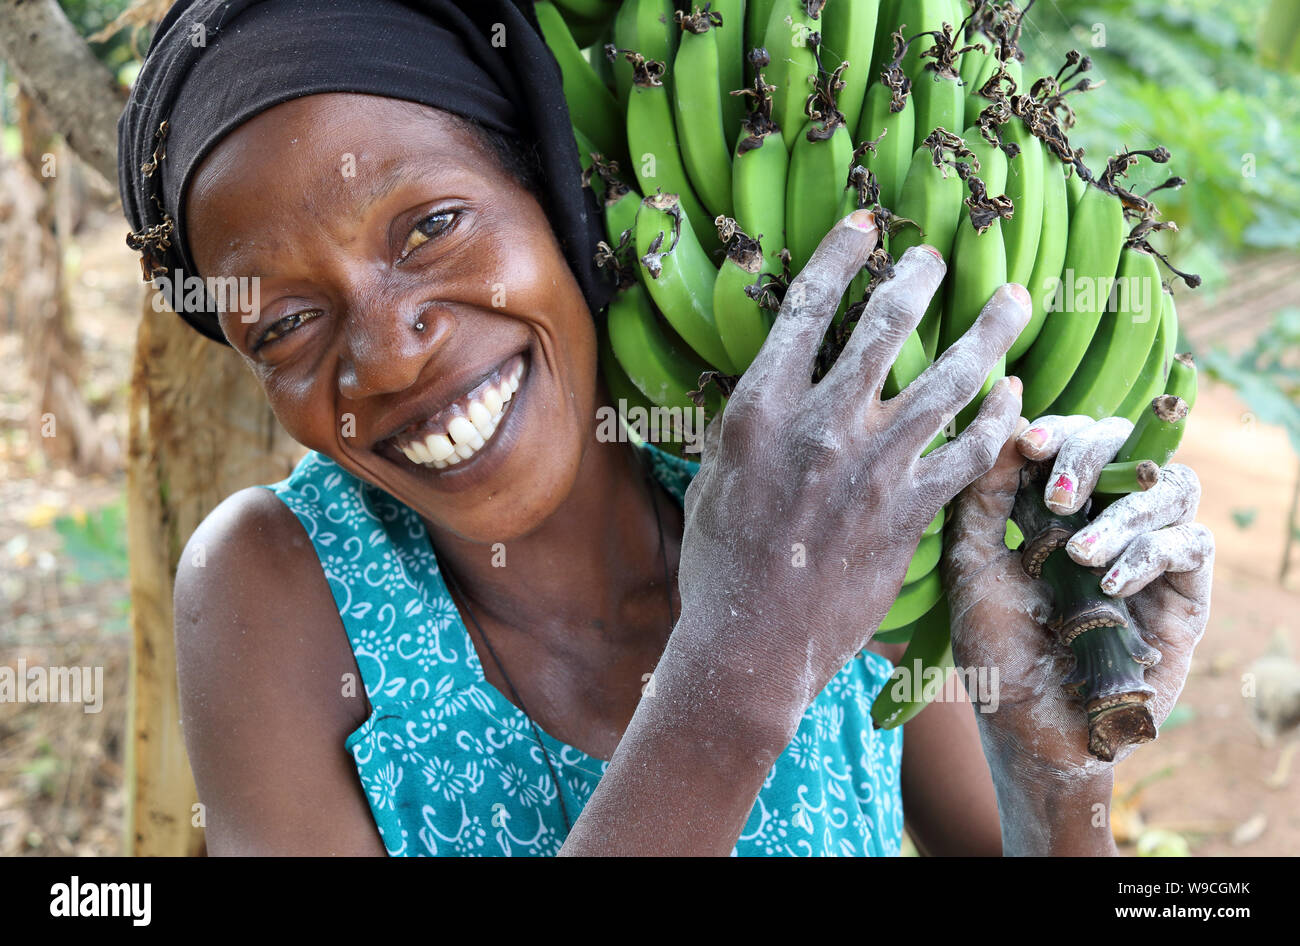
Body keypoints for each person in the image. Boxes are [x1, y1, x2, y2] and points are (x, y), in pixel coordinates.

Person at [118, 0, 1215, 856]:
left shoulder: (810, 475)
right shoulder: (279, 587)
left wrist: (1056, 783)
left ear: (557, 197)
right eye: (289, 324)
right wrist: (740, 667)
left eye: (434, 226)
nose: (390, 351)